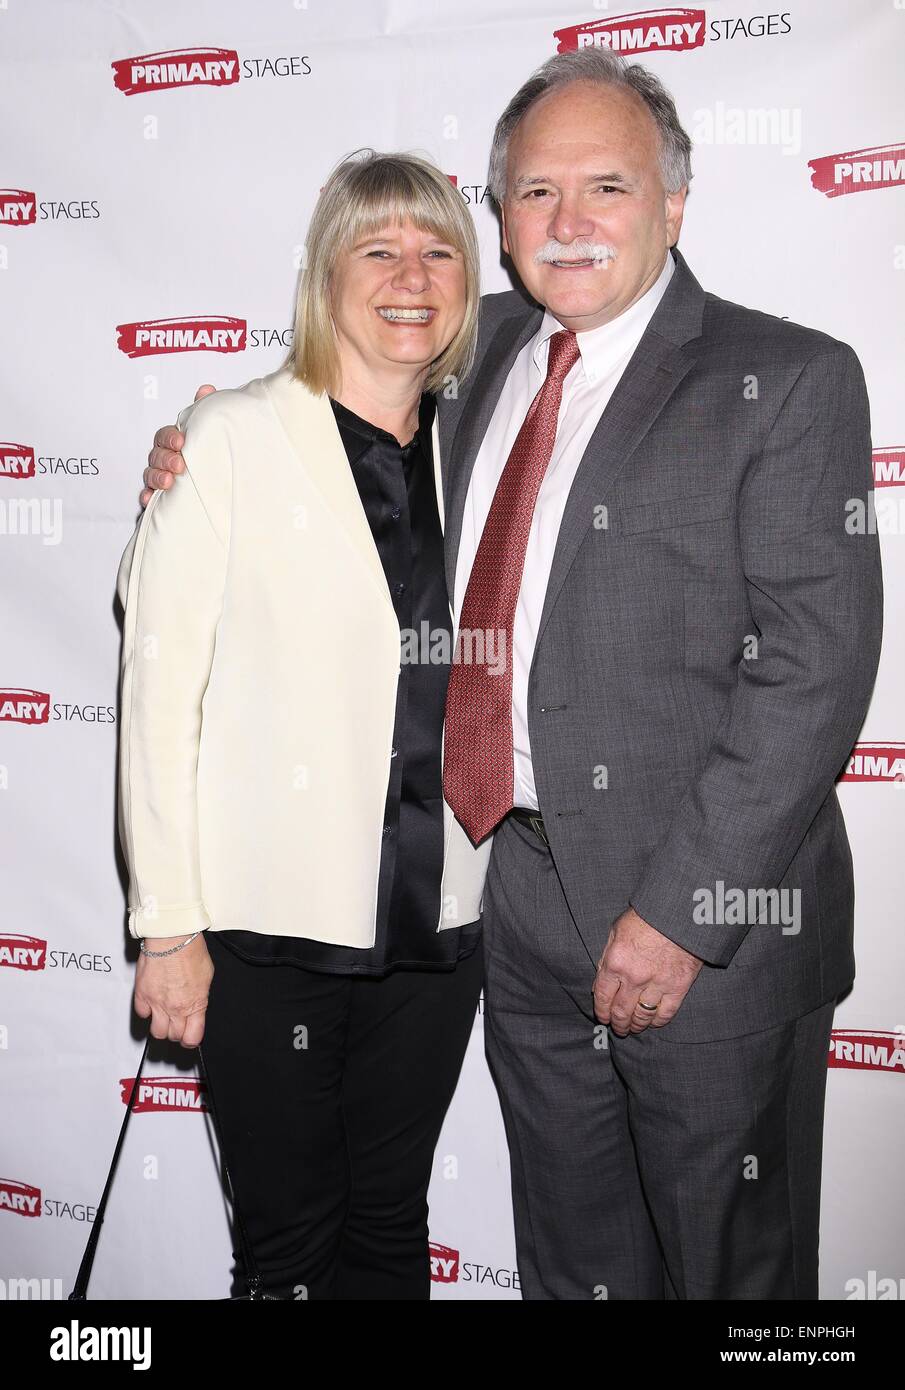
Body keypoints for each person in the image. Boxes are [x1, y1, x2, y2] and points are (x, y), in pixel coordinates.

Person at [141, 50, 883, 1300]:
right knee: (575, 1265)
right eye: (535, 193)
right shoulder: (476, 345)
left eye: (606, 185)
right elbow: (323, 404)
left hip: (705, 925)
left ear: (675, 203)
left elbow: (812, 674)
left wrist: (681, 917)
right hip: (511, 905)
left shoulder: (786, 380)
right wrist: (197, 444)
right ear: (499, 218)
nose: (570, 222)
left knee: (730, 1276)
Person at [115, 149, 488, 1300]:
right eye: (376, 248)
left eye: (437, 250)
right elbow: (156, 692)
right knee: (284, 1253)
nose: (409, 275)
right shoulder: (227, 436)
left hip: (435, 924)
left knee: (388, 1229)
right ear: (324, 276)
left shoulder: (479, 449)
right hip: (267, 931)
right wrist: (168, 927)